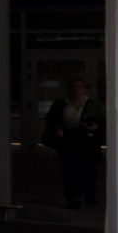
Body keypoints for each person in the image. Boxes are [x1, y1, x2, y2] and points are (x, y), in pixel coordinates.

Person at [46, 77, 108, 209]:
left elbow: (105, 120)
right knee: (70, 170)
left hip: (88, 141)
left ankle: (90, 195)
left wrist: (96, 127)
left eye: (80, 87)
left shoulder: (94, 105)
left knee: (89, 170)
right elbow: (51, 119)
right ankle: (74, 198)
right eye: (73, 87)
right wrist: (57, 129)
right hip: (68, 140)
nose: (76, 90)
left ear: (86, 89)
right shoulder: (61, 104)